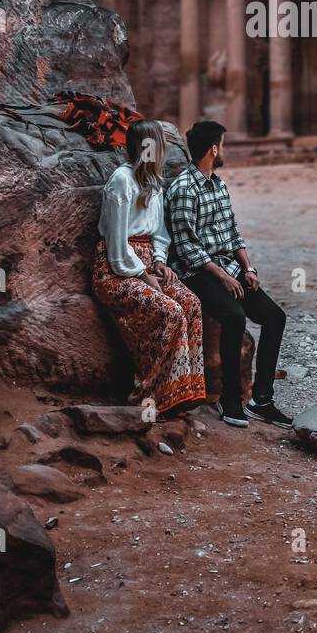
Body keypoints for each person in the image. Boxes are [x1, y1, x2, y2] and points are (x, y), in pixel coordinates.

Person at [166, 120, 292, 429]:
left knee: (275, 318)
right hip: (197, 272)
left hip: (230, 269)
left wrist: (247, 268)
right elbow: (187, 248)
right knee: (234, 317)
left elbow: (233, 233)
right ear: (213, 149)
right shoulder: (183, 188)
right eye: (222, 144)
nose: (224, 150)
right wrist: (224, 277)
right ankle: (230, 400)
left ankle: (262, 400)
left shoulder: (219, 184)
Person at [92, 119, 206, 417]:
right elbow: (116, 247)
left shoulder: (154, 182)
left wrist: (158, 261)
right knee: (170, 311)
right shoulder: (122, 181)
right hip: (116, 269)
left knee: (191, 303)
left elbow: (159, 234)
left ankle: (183, 390)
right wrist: (143, 274)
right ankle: (149, 393)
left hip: (146, 264)